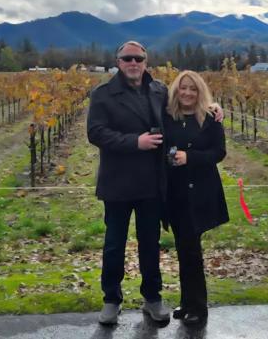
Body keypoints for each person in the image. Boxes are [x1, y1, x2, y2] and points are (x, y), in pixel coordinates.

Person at [87, 40, 170, 325]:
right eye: (127, 58)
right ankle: (111, 299)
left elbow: (184, 109)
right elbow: (96, 133)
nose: (133, 63)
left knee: (150, 243)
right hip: (118, 182)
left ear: (146, 62)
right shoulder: (103, 94)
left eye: (138, 58)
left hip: (151, 182)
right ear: (118, 62)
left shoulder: (159, 90)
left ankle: (152, 297)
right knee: (114, 244)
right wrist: (136, 142)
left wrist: (213, 108)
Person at [164, 70, 229, 326]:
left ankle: (198, 307)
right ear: (176, 90)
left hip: (200, 193)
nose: (187, 93)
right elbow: (165, 147)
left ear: (200, 91)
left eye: (193, 88)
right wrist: (171, 157)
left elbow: (219, 152)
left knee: (191, 250)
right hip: (176, 193)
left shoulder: (210, 118)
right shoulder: (169, 116)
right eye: (183, 88)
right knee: (184, 248)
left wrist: (190, 158)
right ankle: (187, 302)